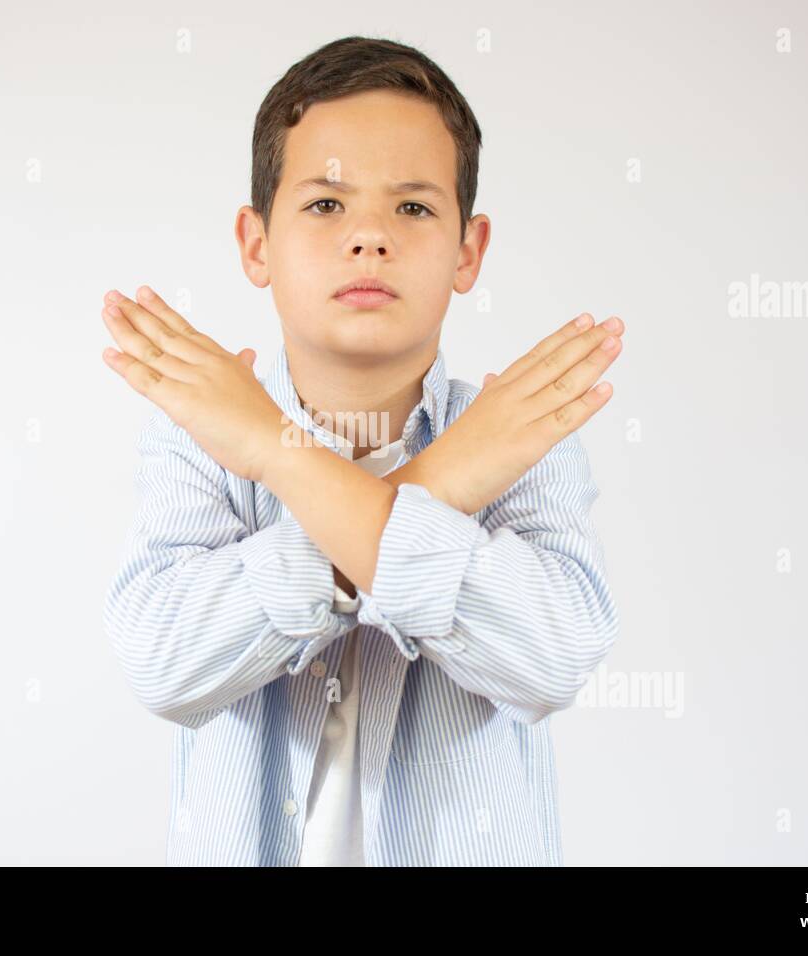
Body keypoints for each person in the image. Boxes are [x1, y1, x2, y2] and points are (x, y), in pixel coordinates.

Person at [100, 35, 624, 866]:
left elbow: (551, 660)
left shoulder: (521, 435)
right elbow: (165, 664)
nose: (370, 237)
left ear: (468, 250)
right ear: (255, 243)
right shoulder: (198, 433)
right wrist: (440, 486)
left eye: (413, 208)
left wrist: (279, 460)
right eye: (325, 205)